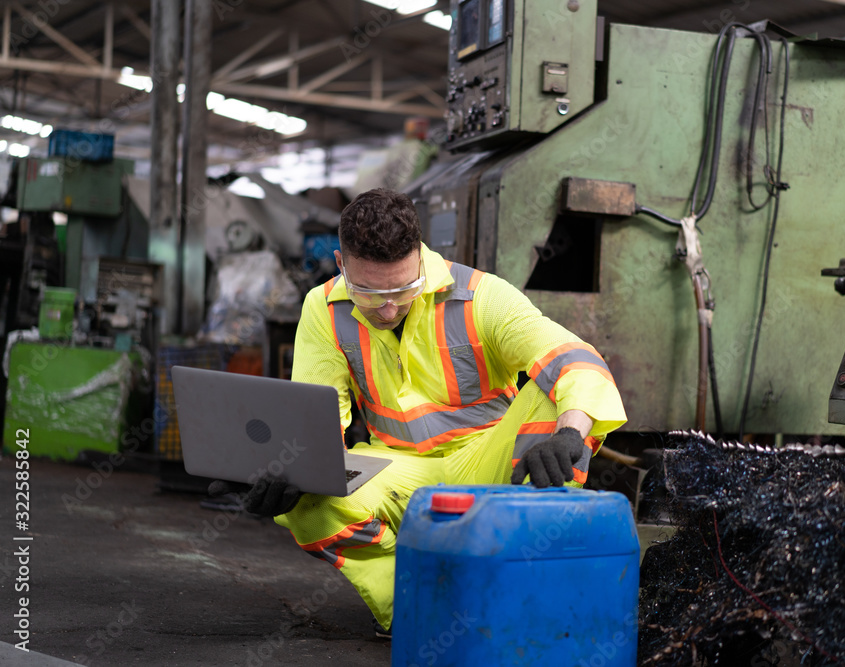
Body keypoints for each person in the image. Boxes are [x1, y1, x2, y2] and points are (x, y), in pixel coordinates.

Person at [214, 188, 626, 636]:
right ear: (340, 264)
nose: (388, 307)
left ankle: (524, 593)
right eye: (368, 292)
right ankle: (415, 610)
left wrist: (568, 434)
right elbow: (317, 416)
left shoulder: (482, 296)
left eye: (403, 288)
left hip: (490, 462)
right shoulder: (323, 308)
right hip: (396, 467)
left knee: (556, 394)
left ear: (421, 259)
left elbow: (573, 357)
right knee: (312, 502)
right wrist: (283, 470)